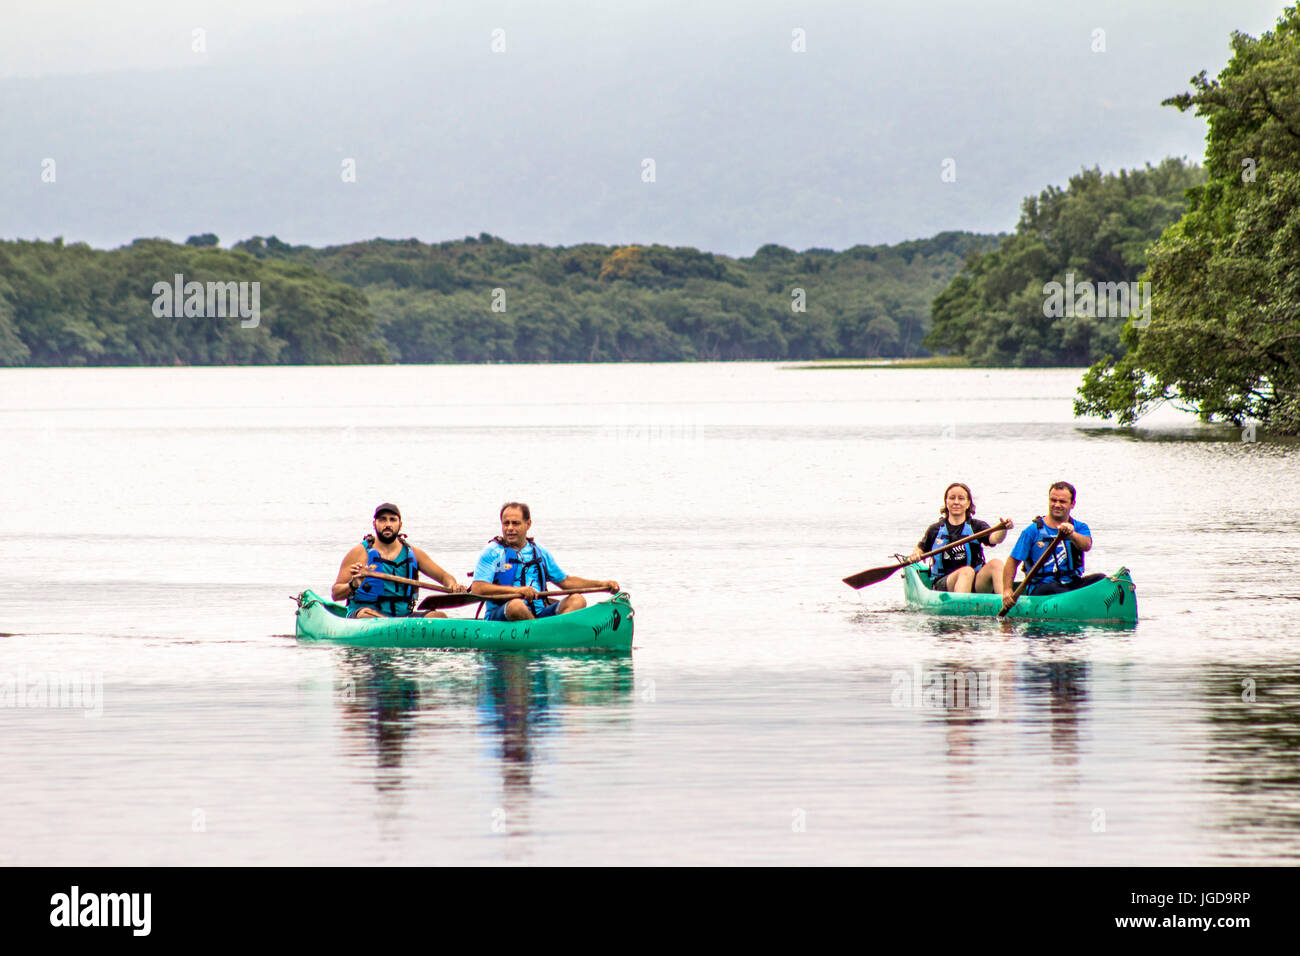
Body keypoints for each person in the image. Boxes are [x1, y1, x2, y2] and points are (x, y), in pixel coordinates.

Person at [470, 502, 618, 621]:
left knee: (578, 600)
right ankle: (544, 634)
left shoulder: (540, 551)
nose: (510, 528)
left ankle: (554, 631)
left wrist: (602, 584)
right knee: (517, 605)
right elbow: (478, 588)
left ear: (528, 524)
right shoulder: (492, 551)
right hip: (502, 614)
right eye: (506, 523)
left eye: (515, 523)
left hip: (539, 613)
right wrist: (518, 591)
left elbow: (566, 582)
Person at [332, 503, 466, 618]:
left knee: (439, 617)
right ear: (374, 524)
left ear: (400, 524)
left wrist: (453, 585)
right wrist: (353, 584)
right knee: (366, 614)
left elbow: (444, 577)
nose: (387, 524)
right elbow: (336, 594)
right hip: (366, 615)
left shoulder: (413, 553)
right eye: (382, 520)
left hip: (403, 618)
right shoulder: (359, 552)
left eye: (392, 520)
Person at [1001, 482, 1107, 608]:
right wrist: (1007, 590)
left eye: (1062, 501)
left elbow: (1086, 545)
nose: (1057, 505)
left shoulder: (1080, 527)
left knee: (1102, 579)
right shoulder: (1032, 531)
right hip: (1043, 588)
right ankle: (1077, 602)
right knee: (1052, 588)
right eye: (1053, 500)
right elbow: (1012, 561)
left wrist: (1072, 535)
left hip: (1071, 583)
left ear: (1072, 504)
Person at [907, 482, 1012, 593]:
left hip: (976, 582)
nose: (956, 502)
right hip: (944, 583)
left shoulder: (977, 526)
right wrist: (915, 554)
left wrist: (1003, 529)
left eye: (961, 498)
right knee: (966, 572)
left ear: (968, 504)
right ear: (946, 502)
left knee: (996, 564)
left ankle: (1005, 602)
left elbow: (995, 538)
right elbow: (920, 549)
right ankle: (962, 607)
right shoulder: (935, 530)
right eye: (952, 498)